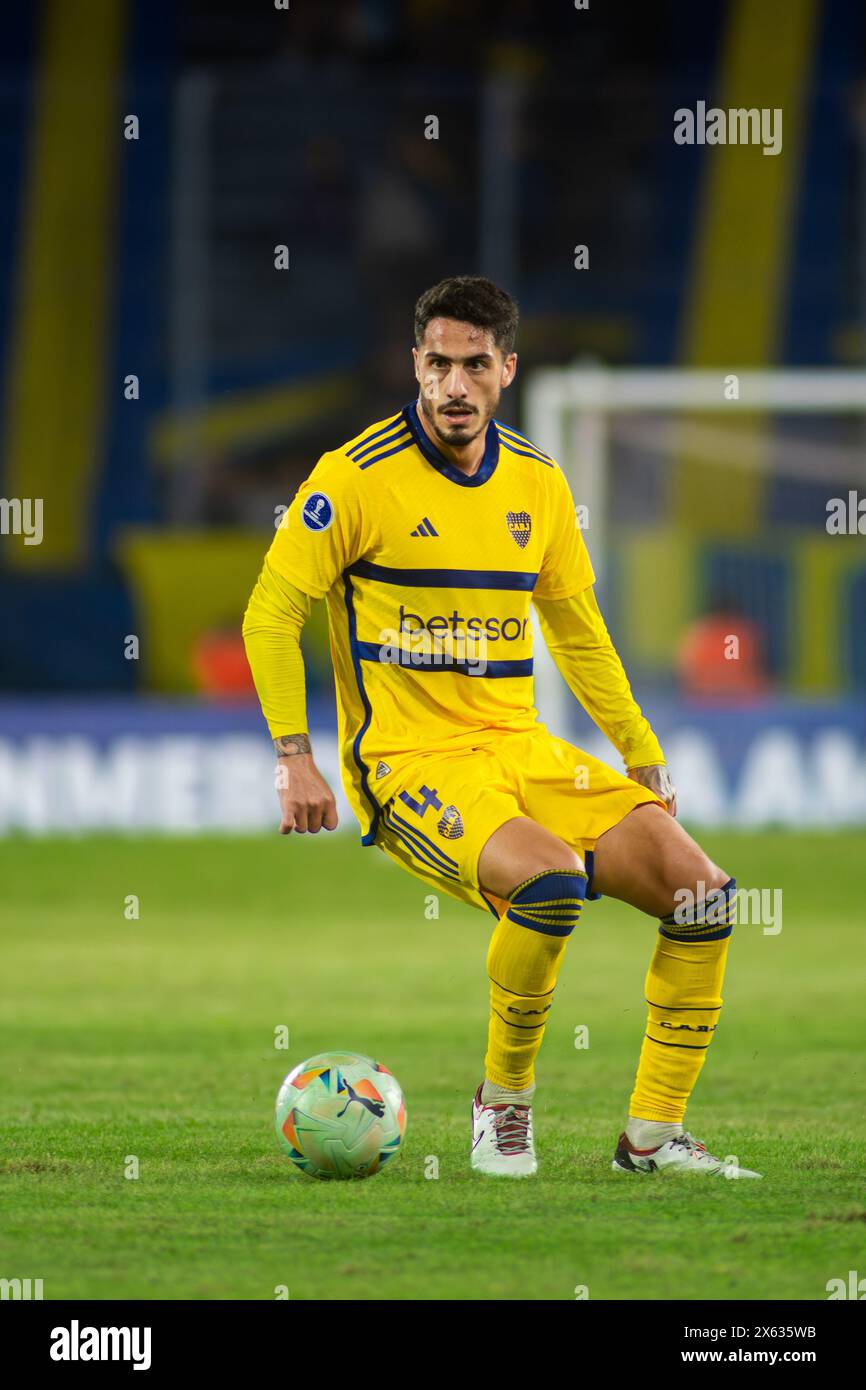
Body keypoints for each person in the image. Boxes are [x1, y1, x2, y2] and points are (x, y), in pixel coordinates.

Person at [243, 275, 760, 1180]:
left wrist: (641, 749)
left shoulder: (538, 482)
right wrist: (296, 757)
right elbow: (269, 615)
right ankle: (503, 1109)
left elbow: (576, 630)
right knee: (551, 885)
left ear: (507, 369)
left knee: (704, 896)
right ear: (414, 363)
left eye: (473, 365)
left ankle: (652, 1139)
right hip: (410, 765)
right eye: (437, 363)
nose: (453, 385)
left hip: (520, 749)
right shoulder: (353, 480)